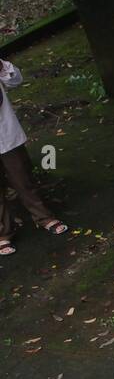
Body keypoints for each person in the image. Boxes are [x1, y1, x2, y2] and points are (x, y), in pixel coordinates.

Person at [0, 57, 67, 256]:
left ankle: (44, 217)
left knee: (23, 179)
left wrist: (2, 67)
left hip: (6, 134)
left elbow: (15, 80)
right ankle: (3, 234)